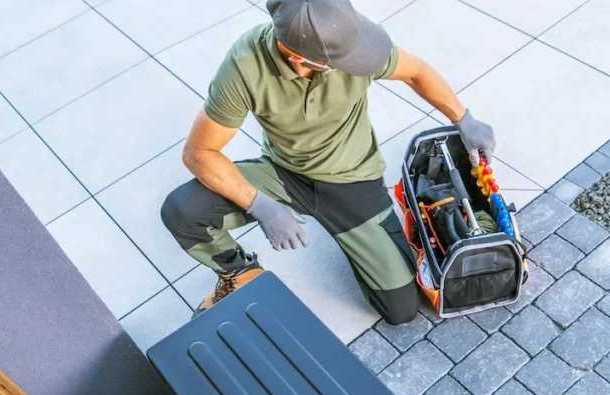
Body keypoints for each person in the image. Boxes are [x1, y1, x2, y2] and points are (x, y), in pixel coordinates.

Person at [161, 0, 497, 324]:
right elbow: (199, 152)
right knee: (183, 210)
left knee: (401, 308)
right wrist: (260, 204)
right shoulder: (245, 64)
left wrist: (463, 119)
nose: (355, 62)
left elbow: (416, 72)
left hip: (355, 179)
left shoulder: (349, 39)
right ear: (298, 59)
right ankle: (238, 273)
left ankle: (361, 237)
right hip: (285, 173)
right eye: (342, 61)